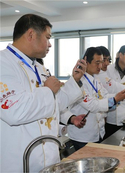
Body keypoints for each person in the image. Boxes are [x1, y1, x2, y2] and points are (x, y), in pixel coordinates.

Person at [0, 14, 87, 172]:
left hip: (48, 159)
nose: (50, 44)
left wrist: (75, 80)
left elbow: (57, 101)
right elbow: (15, 111)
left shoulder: (39, 68)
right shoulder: (3, 63)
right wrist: (47, 90)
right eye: (47, 37)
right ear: (31, 34)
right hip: (19, 162)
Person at [61, 47, 125, 150]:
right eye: (97, 62)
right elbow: (92, 105)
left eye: (101, 62)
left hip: (97, 132)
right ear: (86, 61)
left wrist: (120, 95)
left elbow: (105, 95)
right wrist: (116, 99)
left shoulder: (95, 80)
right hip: (83, 136)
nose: (100, 66)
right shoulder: (78, 82)